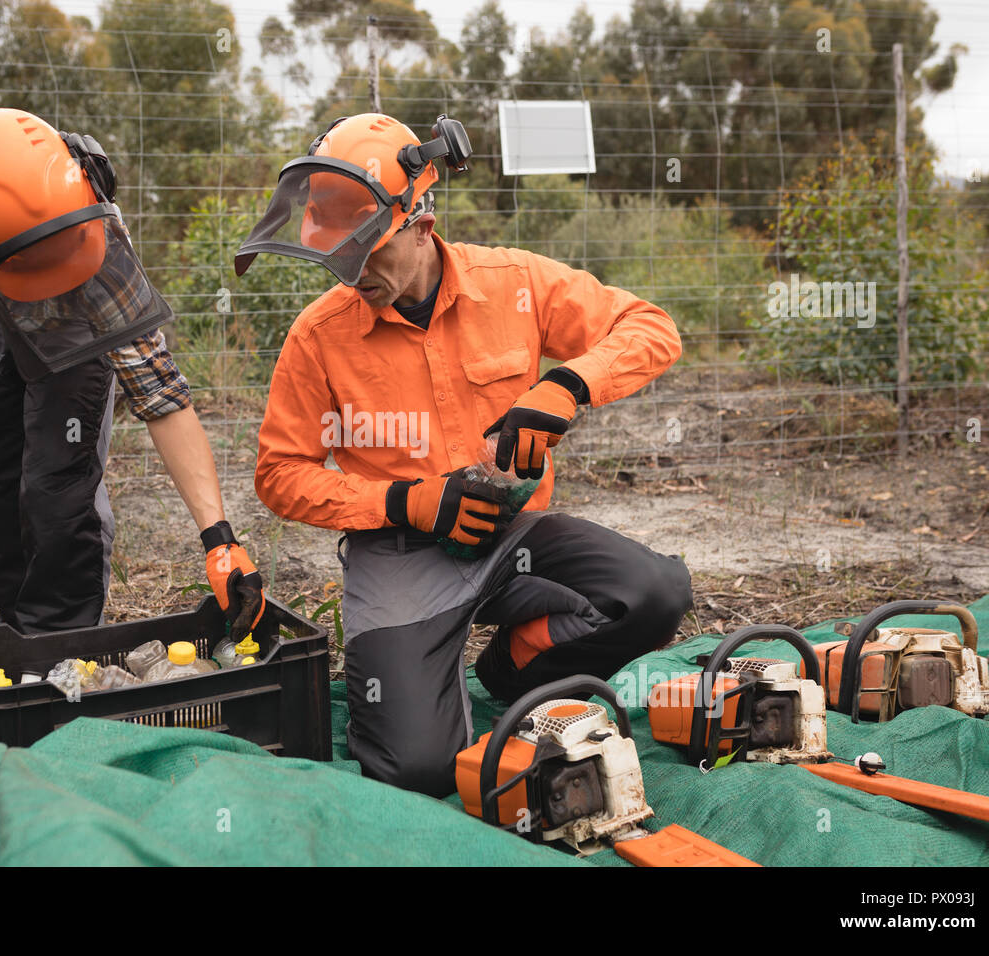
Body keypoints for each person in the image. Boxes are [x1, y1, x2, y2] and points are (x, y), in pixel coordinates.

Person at [238, 112, 693, 796]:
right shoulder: (319, 336)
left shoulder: (513, 283)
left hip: (515, 539)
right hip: (398, 550)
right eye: (338, 256)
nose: (350, 273)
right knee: (419, 767)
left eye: (367, 252)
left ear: (421, 224)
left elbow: (650, 328)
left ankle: (511, 672)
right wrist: (399, 500)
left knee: (653, 594)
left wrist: (567, 385)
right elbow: (279, 474)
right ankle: (424, 683)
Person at [0, 107, 263, 639]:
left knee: (57, 487)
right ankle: (18, 635)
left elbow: (160, 394)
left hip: (77, 314)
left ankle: (60, 651)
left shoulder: (97, 258)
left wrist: (220, 540)